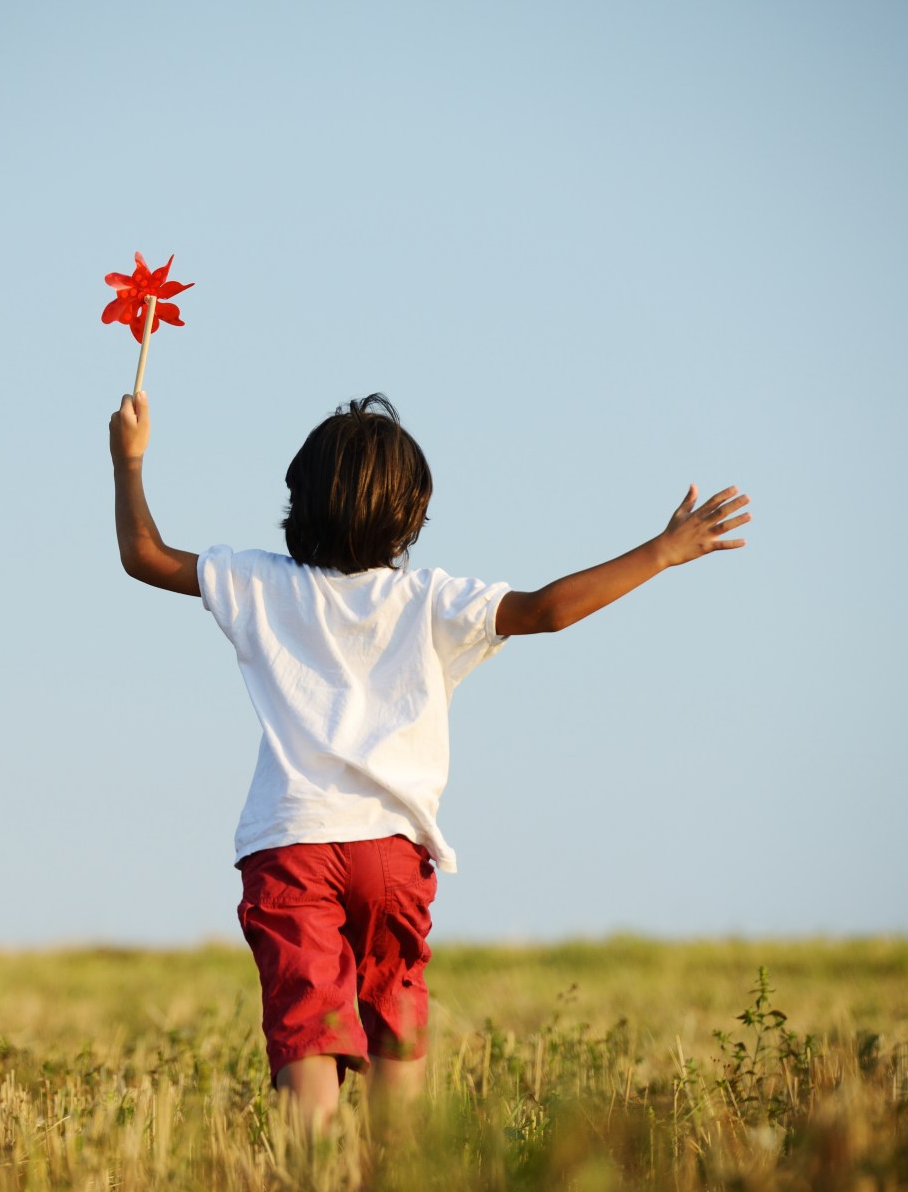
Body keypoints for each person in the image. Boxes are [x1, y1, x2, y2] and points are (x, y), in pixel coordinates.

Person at [108, 390, 750, 1133]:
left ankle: (311, 1177)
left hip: (293, 845)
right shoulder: (431, 599)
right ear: (411, 518)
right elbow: (546, 610)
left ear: (296, 500)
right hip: (392, 852)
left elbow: (144, 555)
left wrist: (129, 461)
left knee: (309, 1028)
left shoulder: (259, 584)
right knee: (394, 1015)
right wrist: (662, 551)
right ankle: (399, 1177)